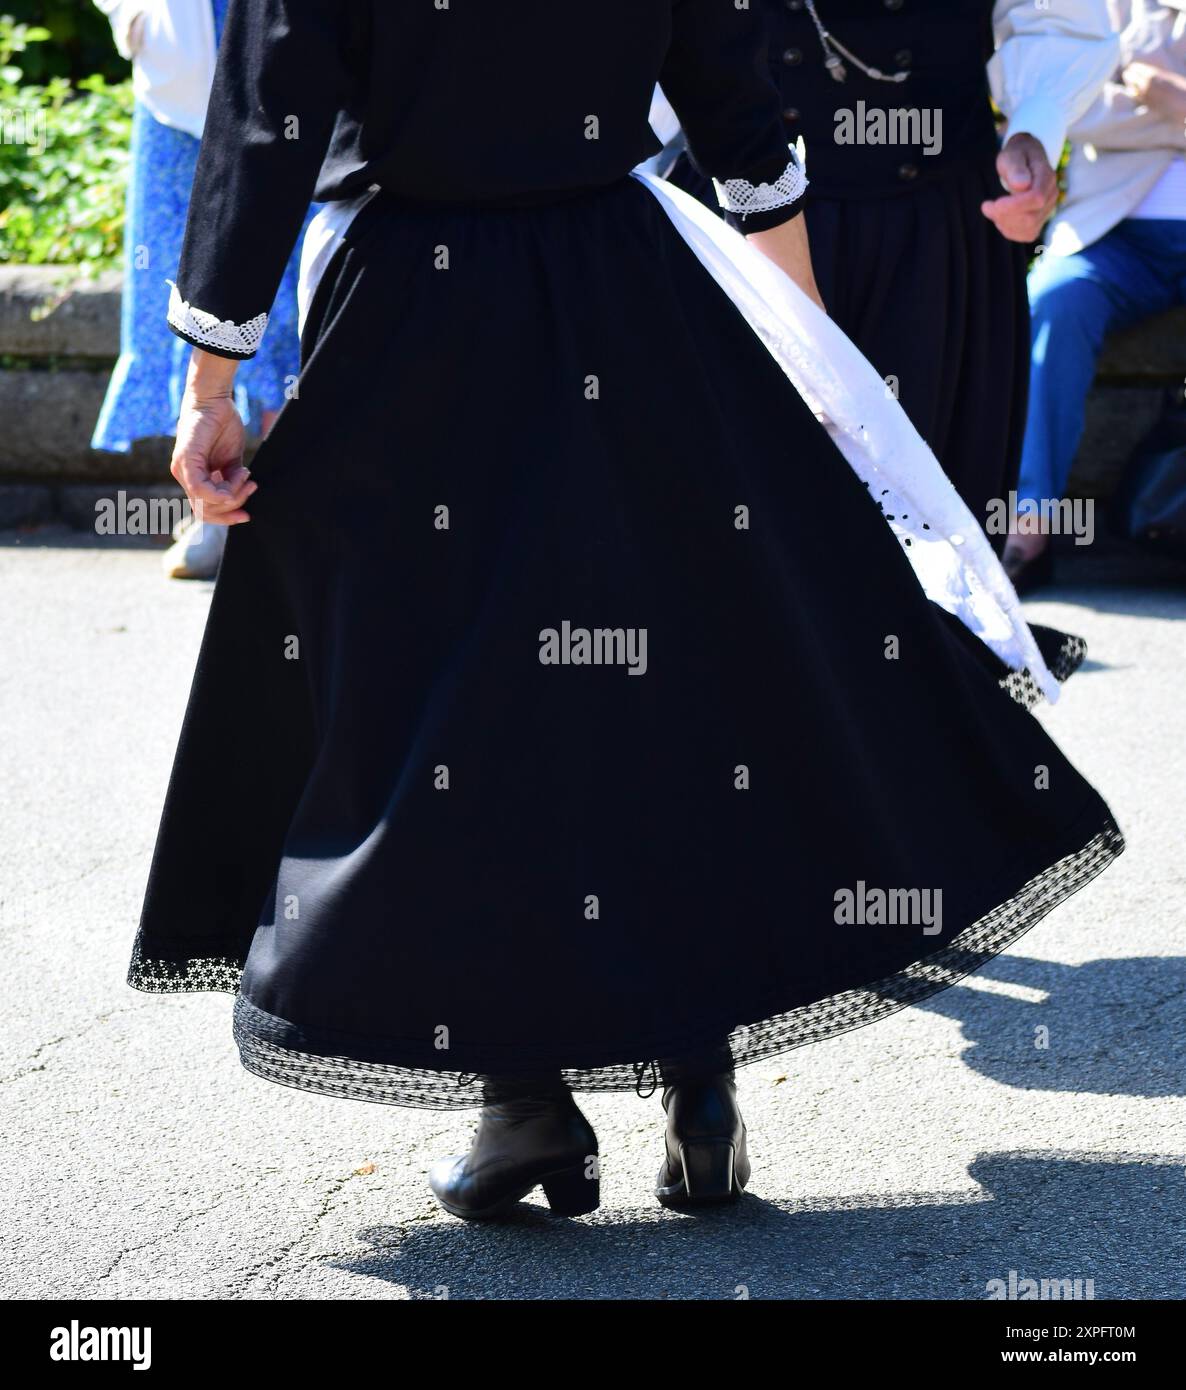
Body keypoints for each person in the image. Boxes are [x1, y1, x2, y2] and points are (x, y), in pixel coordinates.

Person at [129, 1, 1122, 1221]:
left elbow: (263, 126)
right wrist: (803, 357)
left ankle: (527, 1101)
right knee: (668, 688)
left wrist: (209, 386)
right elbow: (744, 124)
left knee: (457, 712)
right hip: (636, 296)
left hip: (422, 319)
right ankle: (696, 1081)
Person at [667, 1, 1119, 548]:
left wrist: (1034, 132)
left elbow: (1055, 16)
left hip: (939, 232)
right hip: (736, 220)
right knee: (740, 523)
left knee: (934, 532)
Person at [91, 0, 311, 579]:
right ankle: (212, 509)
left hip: (300, 47)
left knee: (295, 273)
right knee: (182, 269)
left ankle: (301, 501)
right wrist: (130, 14)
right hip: (182, 68)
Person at [1005, 0, 1186, 592]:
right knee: (1055, 299)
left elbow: (1108, 106)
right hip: (1114, 237)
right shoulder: (1100, 7)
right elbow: (1067, 111)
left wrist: (1158, 90)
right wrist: (1172, 110)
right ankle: (1031, 525)